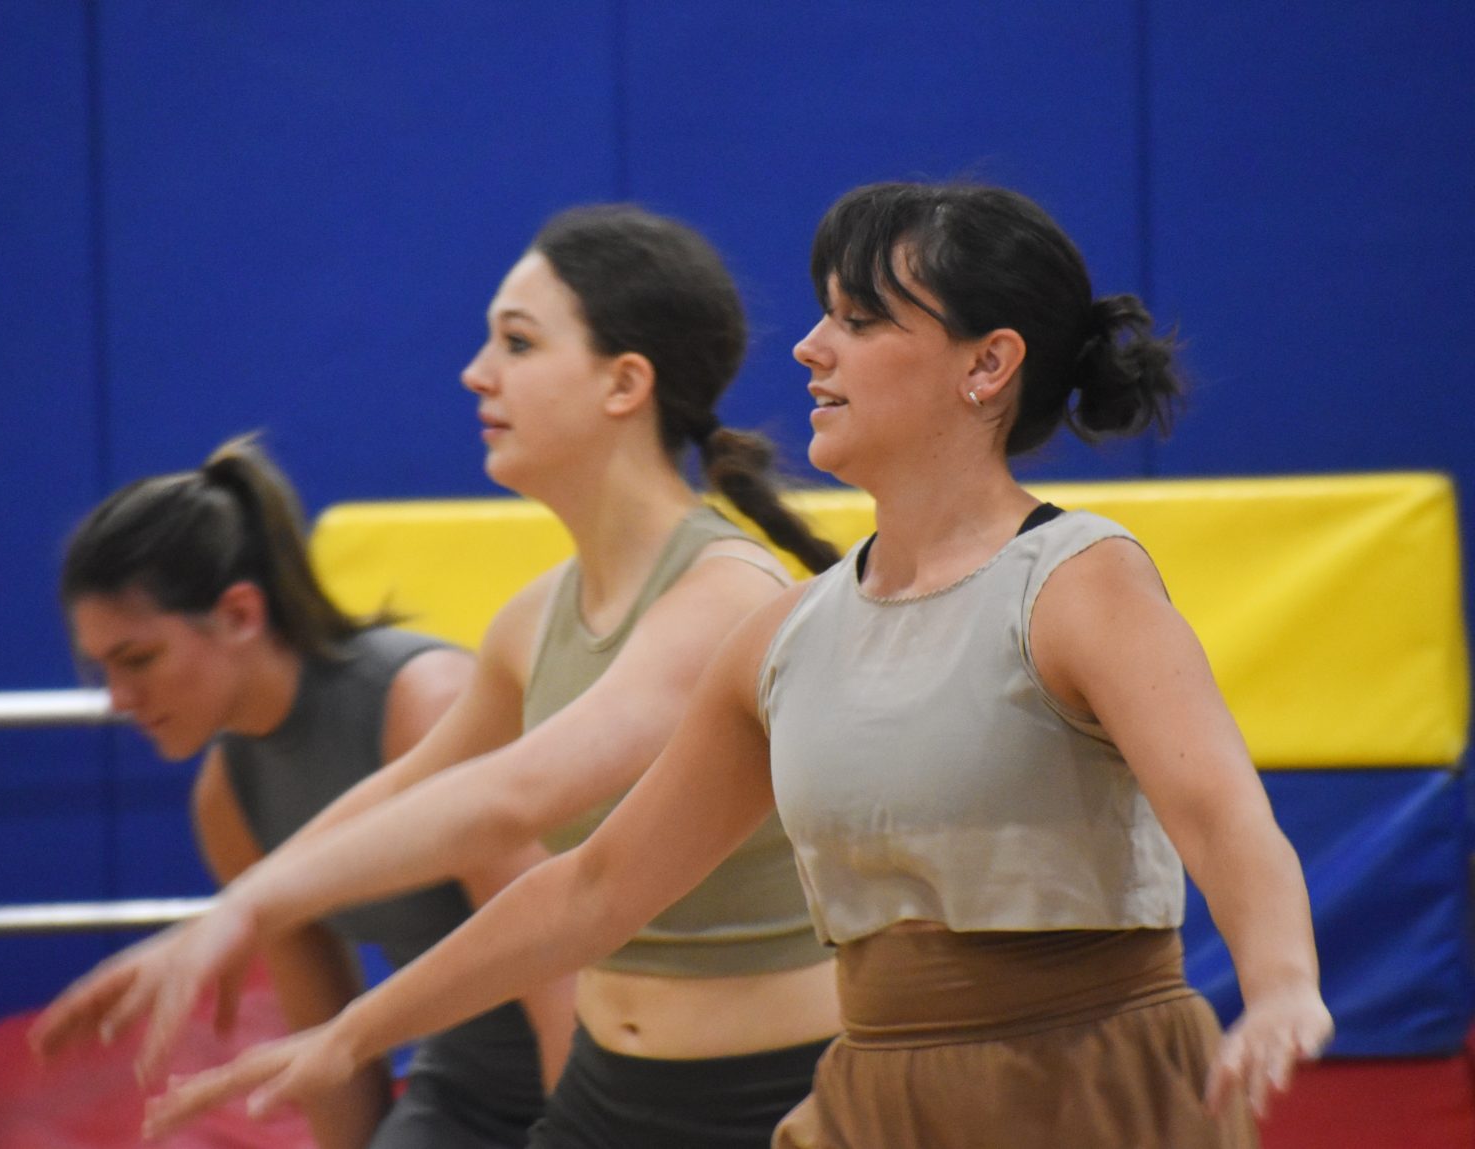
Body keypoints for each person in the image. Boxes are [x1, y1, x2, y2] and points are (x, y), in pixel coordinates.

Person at [128, 182, 1334, 1148]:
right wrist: (354, 1035)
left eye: (858, 321)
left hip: (1086, 1087)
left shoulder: (1079, 580)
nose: (809, 348)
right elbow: (593, 889)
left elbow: (1223, 816)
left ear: (987, 365)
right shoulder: (788, 634)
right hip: (870, 1092)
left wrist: (1281, 981)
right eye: (820, 316)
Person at [33, 206, 844, 1148]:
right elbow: (407, 790)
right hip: (608, 1093)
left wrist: (265, 914)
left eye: (518, 342)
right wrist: (235, 912)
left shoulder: (724, 592)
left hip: (770, 1097)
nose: (476, 371)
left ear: (625, 382)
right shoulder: (532, 618)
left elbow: (513, 798)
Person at [57, 434, 574, 1149]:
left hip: (598, 1068)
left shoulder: (422, 702)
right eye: (101, 670)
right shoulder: (227, 797)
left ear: (240, 614)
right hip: (465, 1091)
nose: (118, 698)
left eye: (138, 658)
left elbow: (561, 965)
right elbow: (329, 1052)